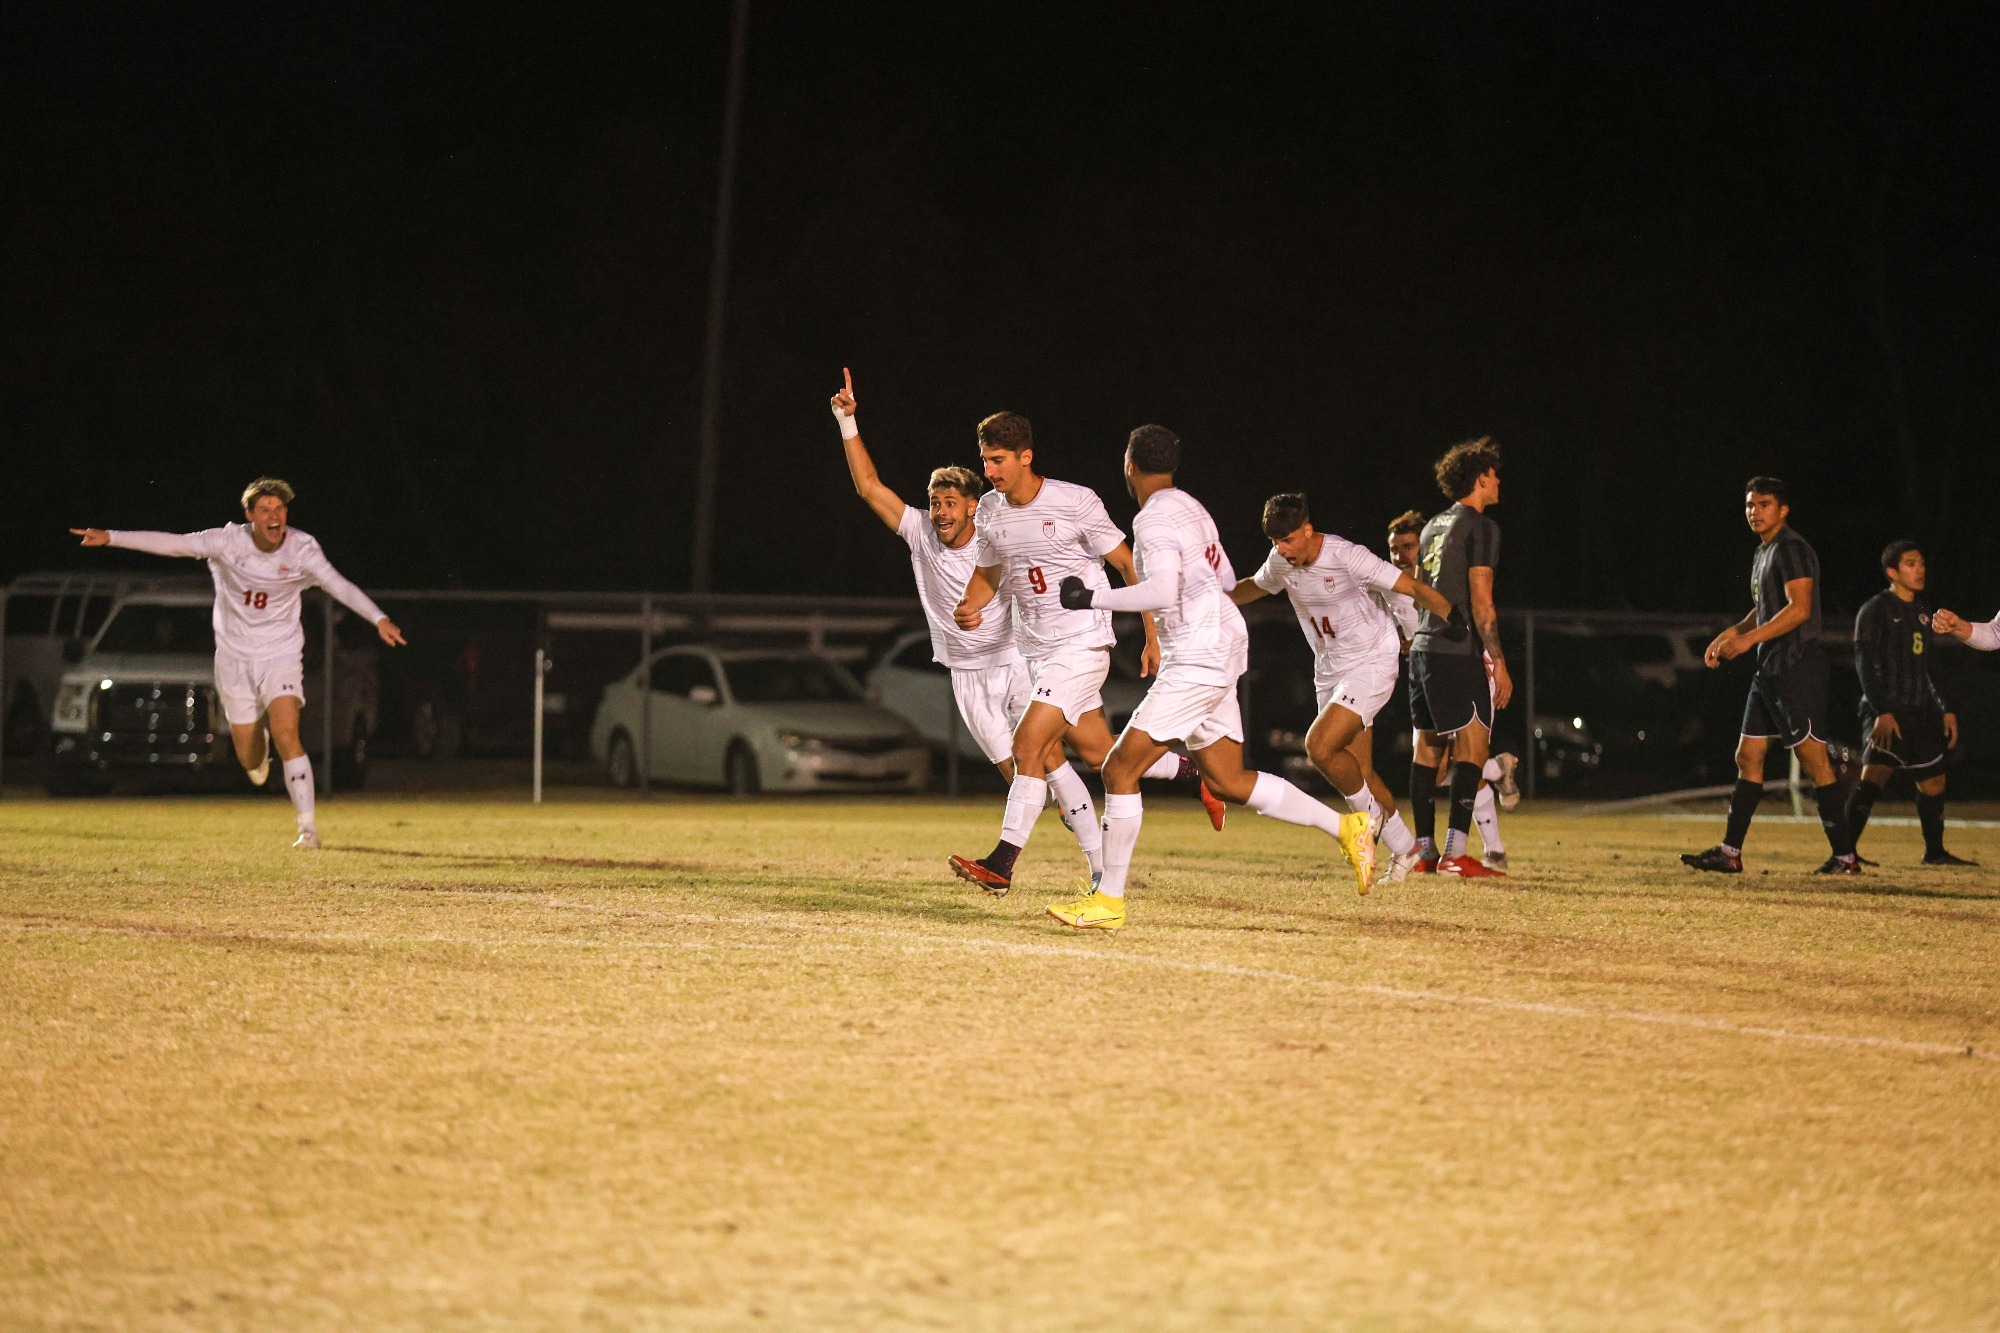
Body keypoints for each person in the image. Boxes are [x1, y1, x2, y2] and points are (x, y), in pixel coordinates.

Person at [1044, 426, 1377, 930]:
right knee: (1228, 779)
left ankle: (1108, 902)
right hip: (1220, 643)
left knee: (1118, 769)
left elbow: (1157, 591)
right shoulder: (1191, 506)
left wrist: (1092, 598)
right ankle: (1347, 826)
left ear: (1129, 465)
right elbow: (1223, 580)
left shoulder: (1152, 520)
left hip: (1198, 655)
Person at [946, 413, 1219, 897]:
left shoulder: (1074, 501)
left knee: (1029, 746)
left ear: (1026, 457)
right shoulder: (988, 509)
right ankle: (1201, 772)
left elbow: (1127, 564)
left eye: (999, 460)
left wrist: (1152, 635)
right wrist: (971, 604)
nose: (990, 470)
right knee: (1100, 753)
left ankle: (1002, 865)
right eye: (985, 460)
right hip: (1036, 650)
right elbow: (989, 575)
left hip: (1083, 643)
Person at [71, 478, 406, 848]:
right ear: (250, 515)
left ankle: (308, 830)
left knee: (288, 734)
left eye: (279, 509)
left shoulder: (302, 549)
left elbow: (337, 584)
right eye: (265, 509)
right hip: (234, 659)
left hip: (280, 655)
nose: (274, 516)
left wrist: (378, 618)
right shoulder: (227, 542)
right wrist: (112, 537)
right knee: (249, 758)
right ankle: (255, 746)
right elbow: (175, 544)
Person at [1231, 494, 1453, 886]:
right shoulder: (1281, 561)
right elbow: (1256, 587)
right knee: (1360, 770)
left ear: (1307, 530)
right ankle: (1404, 849)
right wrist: (1213, 598)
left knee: (1318, 746)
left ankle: (1364, 824)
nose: (1281, 550)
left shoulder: (1347, 556)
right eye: (1274, 543)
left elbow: (1408, 587)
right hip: (1330, 670)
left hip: (1373, 660)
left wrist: (1454, 619)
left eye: (1287, 540)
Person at [829, 368, 1031, 782]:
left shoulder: (996, 534)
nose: (940, 512)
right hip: (965, 669)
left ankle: (1078, 821)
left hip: (1014, 659)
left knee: (1043, 755)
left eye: (951, 503)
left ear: (973, 506)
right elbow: (868, 487)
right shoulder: (920, 531)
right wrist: (846, 420)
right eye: (936, 502)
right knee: (1012, 770)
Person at [1681, 477, 1859, 875]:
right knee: (1748, 756)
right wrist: (1733, 633)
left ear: (1783, 510)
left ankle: (1845, 858)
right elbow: (1763, 610)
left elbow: (1798, 609)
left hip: (1798, 666)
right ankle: (1730, 853)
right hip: (1769, 669)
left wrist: (1748, 642)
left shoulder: (1792, 549)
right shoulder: (1765, 552)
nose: (1754, 511)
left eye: (1764, 504)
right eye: (1749, 504)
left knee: (1814, 761)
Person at [1381, 511, 1520, 869]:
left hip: (1460, 664)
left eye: (1408, 547)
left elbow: (1473, 607)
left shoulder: (1442, 579)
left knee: (1462, 757)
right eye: (1394, 549)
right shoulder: (1389, 585)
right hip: (1428, 669)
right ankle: (1496, 771)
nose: (1400, 556)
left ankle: (1492, 850)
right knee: (1445, 767)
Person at [1407, 438, 1513, 878]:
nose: (1499, 481)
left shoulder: (1432, 525)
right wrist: (1499, 661)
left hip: (1422, 650)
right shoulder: (1481, 526)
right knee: (1474, 747)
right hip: (1455, 651)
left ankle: (1426, 852)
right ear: (1480, 478)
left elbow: (1418, 589)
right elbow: (1481, 600)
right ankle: (1456, 853)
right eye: (1493, 474)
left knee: (1428, 751)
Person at [1847, 541, 1973, 866]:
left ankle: (1934, 853)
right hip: (1886, 712)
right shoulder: (1875, 610)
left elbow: (1929, 667)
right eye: (1911, 564)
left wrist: (1946, 709)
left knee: (1933, 782)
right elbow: (1864, 664)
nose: (1920, 569)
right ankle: (1843, 854)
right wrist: (1882, 711)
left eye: (1921, 563)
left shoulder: (1923, 612)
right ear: (1892, 572)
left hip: (1917, 712)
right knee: (1873, 778)